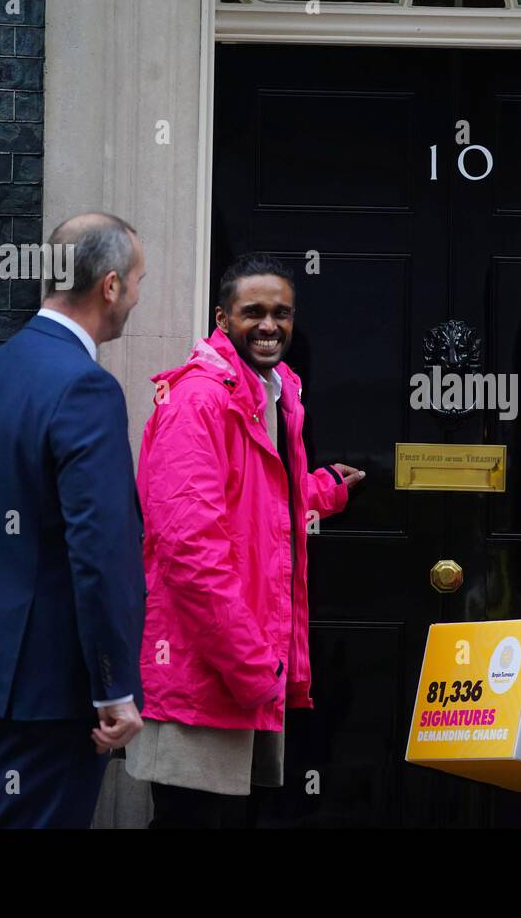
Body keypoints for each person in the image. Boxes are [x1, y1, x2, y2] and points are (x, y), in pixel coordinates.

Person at [0, 212, 147, 828]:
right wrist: (114, 687)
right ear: (108, 286)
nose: (135, 296)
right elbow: (100, 549)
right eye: (136, 281)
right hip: (46, 693)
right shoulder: (85, 386)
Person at [127, 253, 363, 828]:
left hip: (245, 672)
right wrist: (252, 665)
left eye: (281, 313)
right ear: (222, 317)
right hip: (204, 675)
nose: (269, 324)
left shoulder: (274, 392)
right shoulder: (199, 400)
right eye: (252, 311)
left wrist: (323, 489)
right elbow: (188, 549)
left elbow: (257, 501)